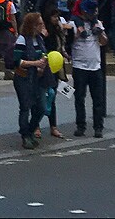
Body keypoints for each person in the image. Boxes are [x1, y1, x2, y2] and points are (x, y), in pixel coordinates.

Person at [11, 12, 49, 150]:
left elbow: (43, 54)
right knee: (25, 106)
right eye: (39, 24)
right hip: (23, 77)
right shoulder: (22, 39)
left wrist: (43, 63)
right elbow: (17, 61)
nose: (42, 26)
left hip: (37, 77)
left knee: (41, 107)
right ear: (32, 25)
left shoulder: (39, 39)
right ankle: (25, 135)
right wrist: (35, 63)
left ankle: (30, 129)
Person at [70, 0, 107, 138]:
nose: (92, 15)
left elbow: (104, 42)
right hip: (79, 66)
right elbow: (68, 43)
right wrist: (78, 33)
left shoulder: (97, 23)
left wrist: (100, 33)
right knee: (79, 98)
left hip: (95, 66)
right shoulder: (73, 23)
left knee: (97, 99)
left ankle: (98, 127)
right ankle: (81, 126)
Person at [39, 8, 71, 140]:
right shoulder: (43, 32)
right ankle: (36, 126)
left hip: (56, 65)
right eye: (54, 17)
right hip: (45, 64)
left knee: (52, 97)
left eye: (57, 17)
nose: (56, 19)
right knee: (42, 96)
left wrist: (64, 53)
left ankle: (53, 126)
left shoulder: (57, 29)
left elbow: (61, 45)